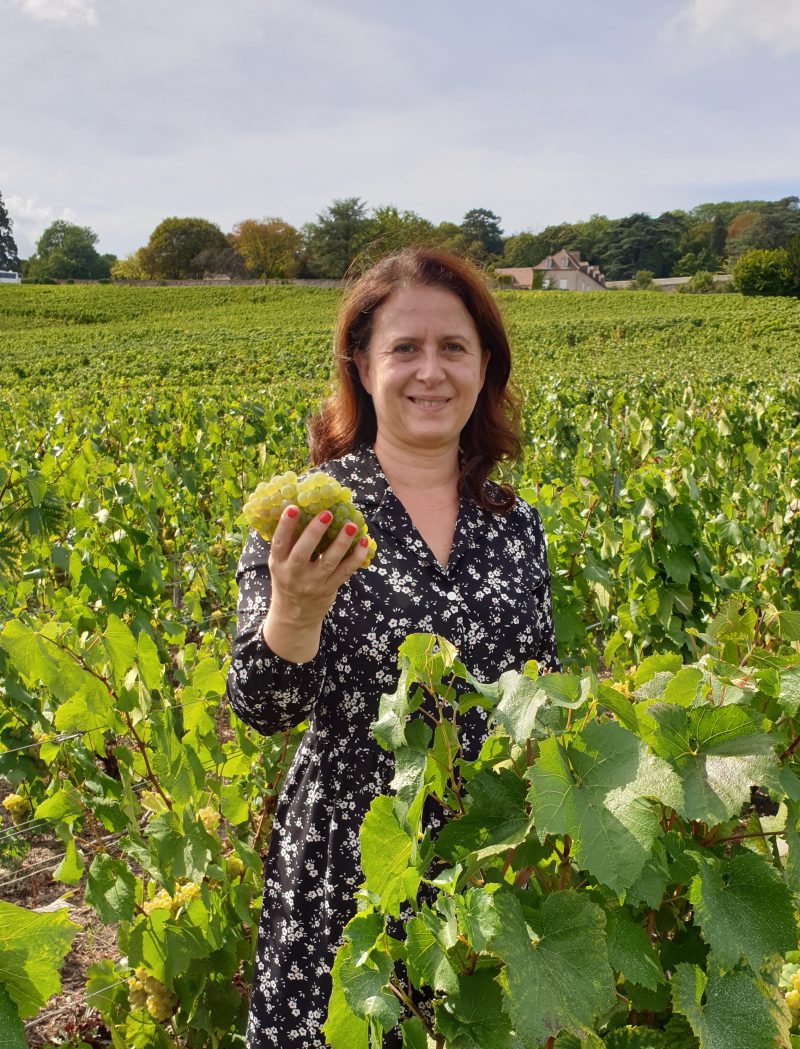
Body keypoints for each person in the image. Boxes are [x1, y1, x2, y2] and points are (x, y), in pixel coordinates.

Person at [226, 246, 559, 1048]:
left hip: (486, 871)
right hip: (352, 874)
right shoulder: (312, 515)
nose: (430, 371)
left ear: (484, 366)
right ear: (363, 366)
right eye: (404, 347)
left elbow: (541, 692)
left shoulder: (514, 524)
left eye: (453, 347)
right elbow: (261, 706)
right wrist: (297, 611)